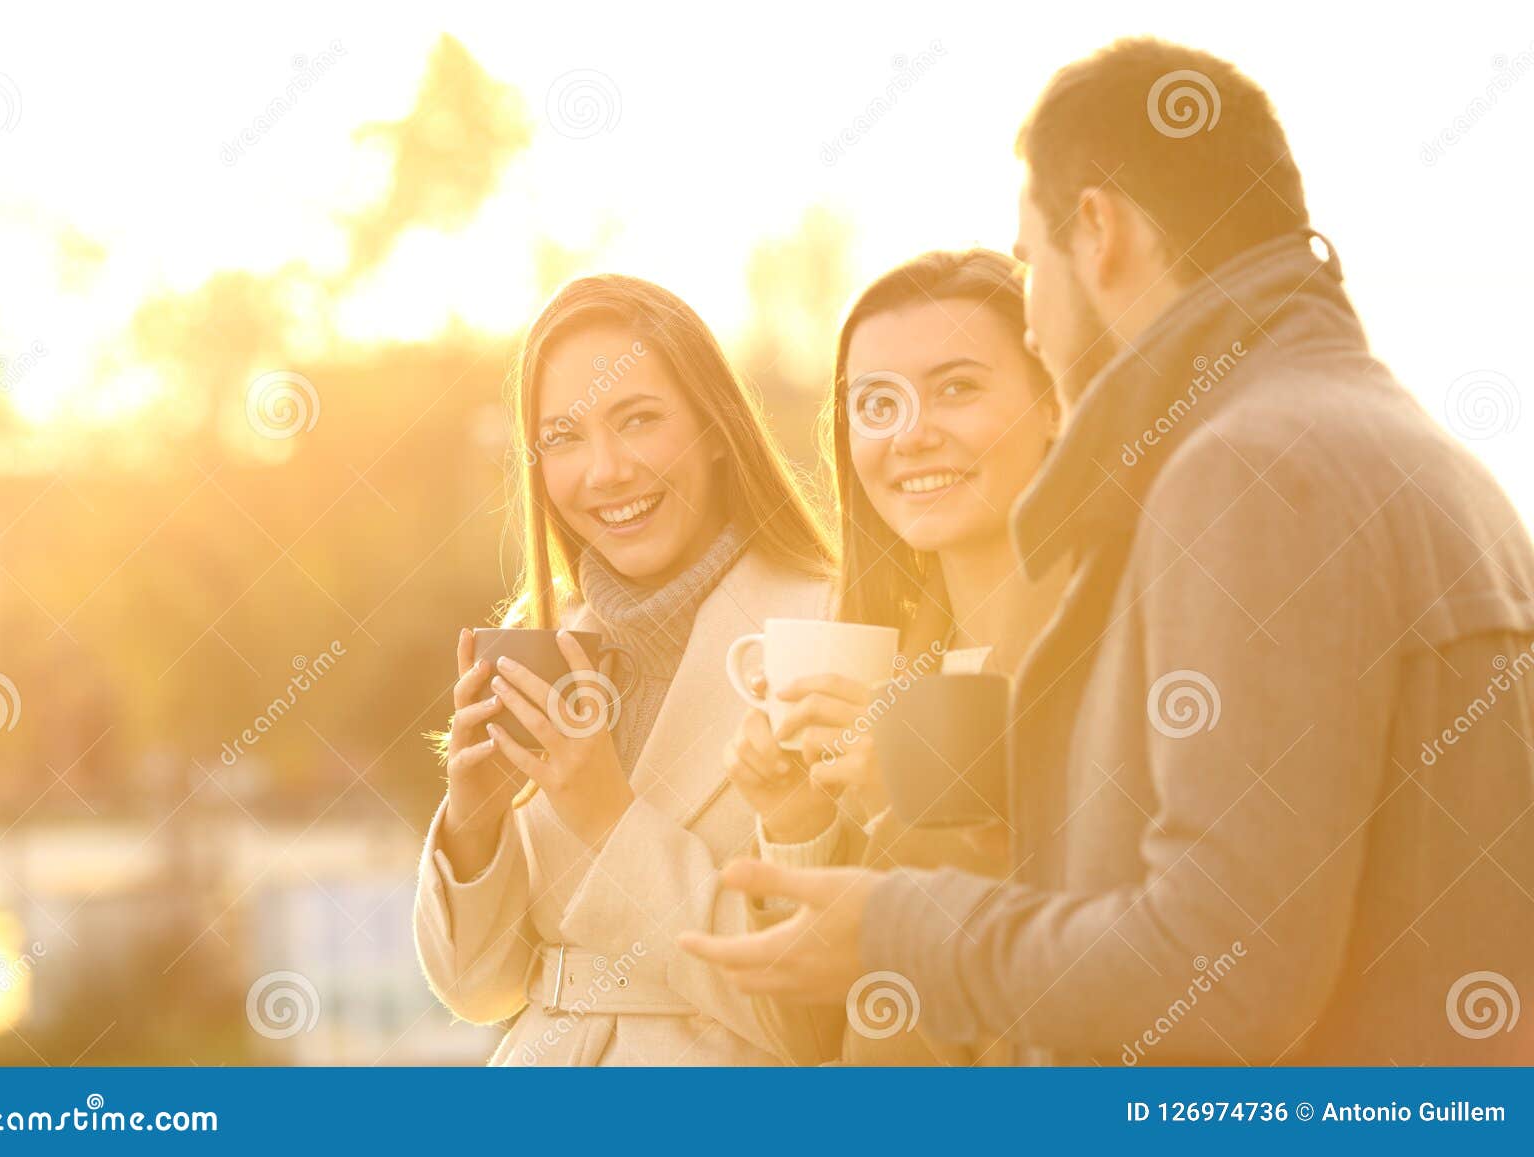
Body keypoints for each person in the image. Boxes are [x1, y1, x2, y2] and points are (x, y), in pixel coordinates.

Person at [681, 37, 1534, 1065]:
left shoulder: (1251, 472)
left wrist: (899, 925)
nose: (1036, 323)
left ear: (1099, 231)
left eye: (1030, 264)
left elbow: (1223, 970)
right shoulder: (1403, 446)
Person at [414, 274, 837, 1065]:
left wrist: (610, 819)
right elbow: (477, 990)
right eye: (563, 437)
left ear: (717, 426)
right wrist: (474, 822)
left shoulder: (829, 631)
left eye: (638, 420)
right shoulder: (542, 642)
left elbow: (813, 1019)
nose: (605, 471)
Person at [720, 249, 1068, 1064]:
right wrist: (798, 823)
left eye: (957, 388)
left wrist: (913, 802)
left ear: (1054, 402)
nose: (911, 434)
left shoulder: (1119, 650)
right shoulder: (895, 662)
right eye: (877, 403)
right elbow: (815, 1037)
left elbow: (1124, 972)